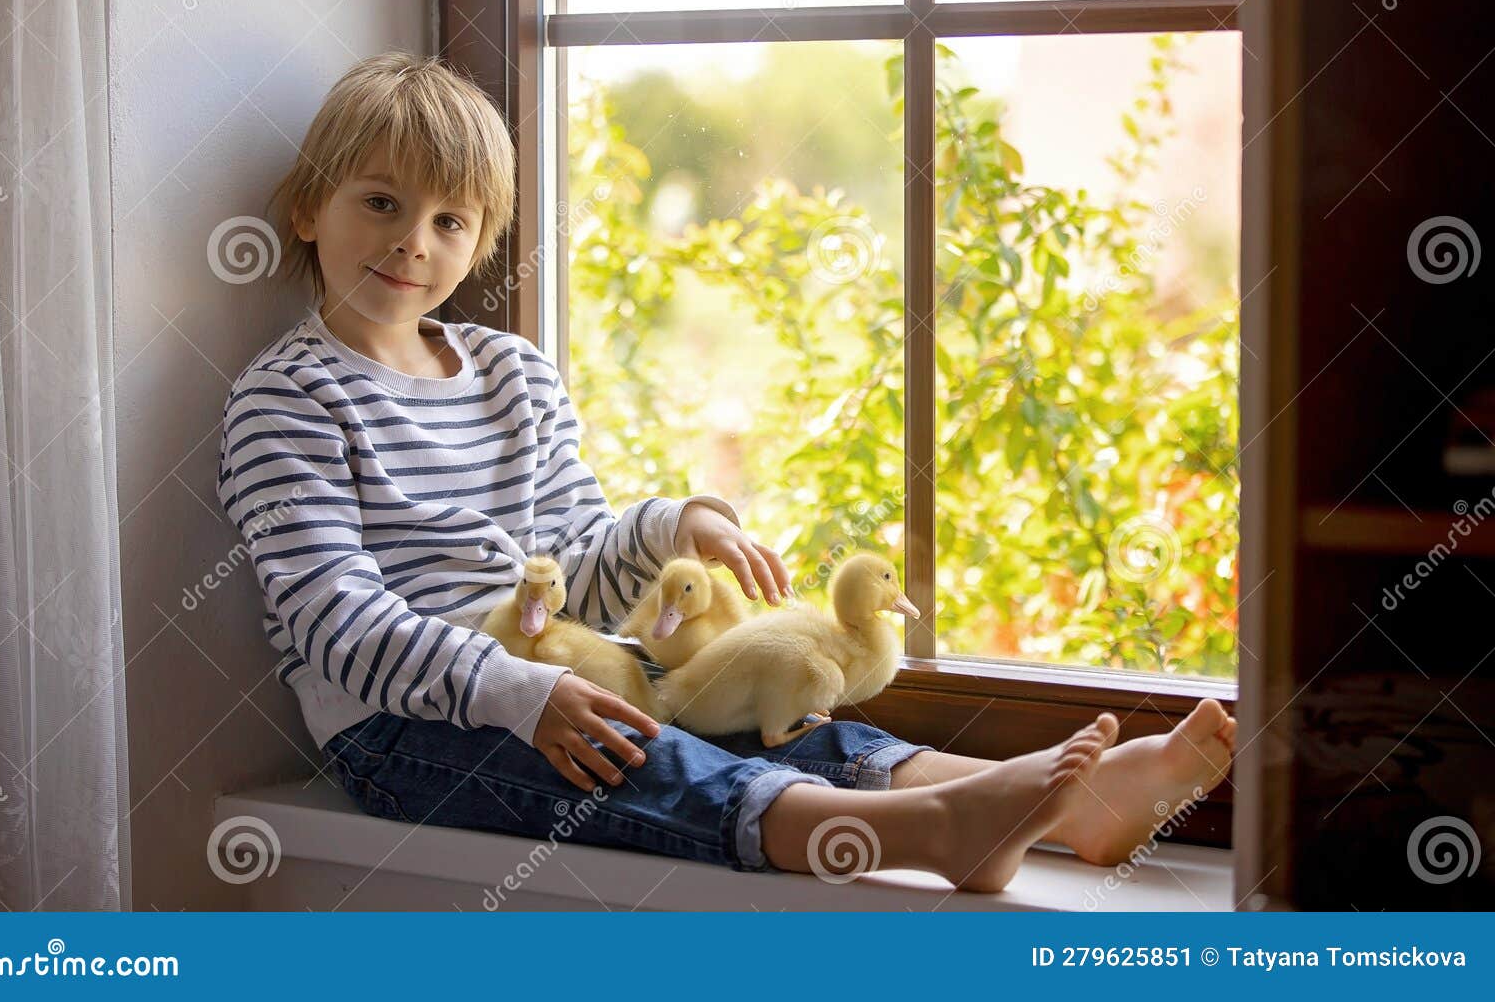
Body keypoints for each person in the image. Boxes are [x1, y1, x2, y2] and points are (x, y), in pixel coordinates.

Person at [215, 51, 1236, 891]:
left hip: (565, 666)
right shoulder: (287, 399)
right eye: (381, 204)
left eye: (450, 221)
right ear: (309, 209)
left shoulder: (510, 373)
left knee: (748, 708)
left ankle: (1071, 799)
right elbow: (333, 622)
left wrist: (674, 530)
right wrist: (520, 693)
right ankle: (928, 832)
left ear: (483, 242)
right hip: (411, 727)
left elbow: (578, 555)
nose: (412, 243)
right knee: (650, 759)